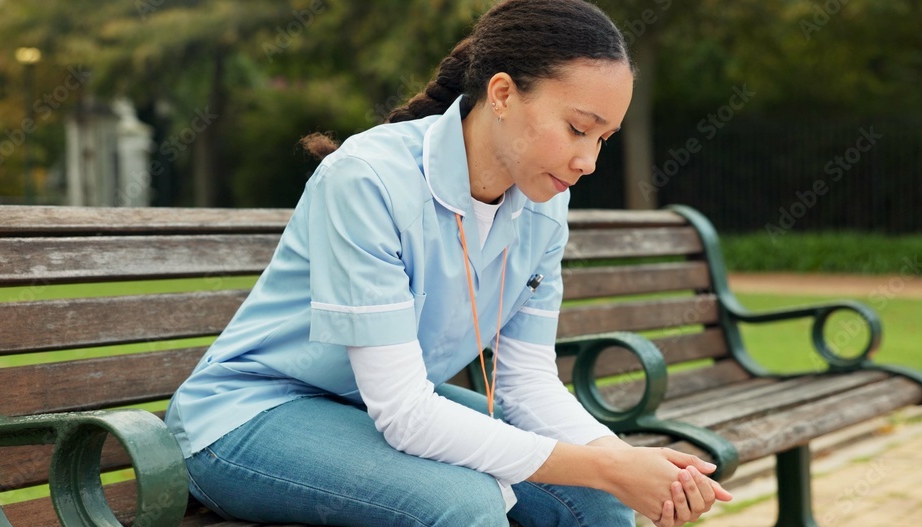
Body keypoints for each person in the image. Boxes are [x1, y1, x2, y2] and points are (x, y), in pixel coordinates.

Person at [166, 1, 732, 525]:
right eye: (577, 129)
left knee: (598, 502)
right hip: (249, 416)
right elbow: (406, 413)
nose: (587, 161)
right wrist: (609, 468)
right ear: (504, 94)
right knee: (463, 505)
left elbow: (527, 382)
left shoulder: (546, 202)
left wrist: (620, 461)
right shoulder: (367, 179)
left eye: (604, 139)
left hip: (366, 410)